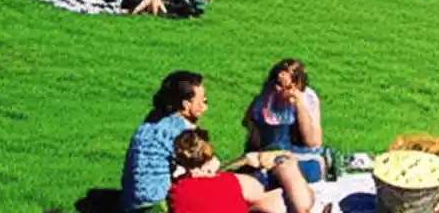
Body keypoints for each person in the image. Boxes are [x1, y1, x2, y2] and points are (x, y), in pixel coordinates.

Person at [120, 71, 208, 212]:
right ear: (186, 105)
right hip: (158, 205)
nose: (205, 107)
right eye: (202, 102)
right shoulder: (182, 130)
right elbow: (203, 163)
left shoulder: (151, 121)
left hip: (130, 203)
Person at [168, 128, 314, 213]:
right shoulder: (228, 182)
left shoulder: (175, 193)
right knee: (279, 190)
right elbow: (258, 191)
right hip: (263, 180)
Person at [243, 59, 324, 183]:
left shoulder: (307, 99)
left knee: (308, 169)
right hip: (266, 154)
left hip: (297, 153)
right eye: (278, 85)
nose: (281, 91)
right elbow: (248, 124)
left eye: (287, 87)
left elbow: (313, 143)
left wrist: (299, 106)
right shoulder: (266, 98)